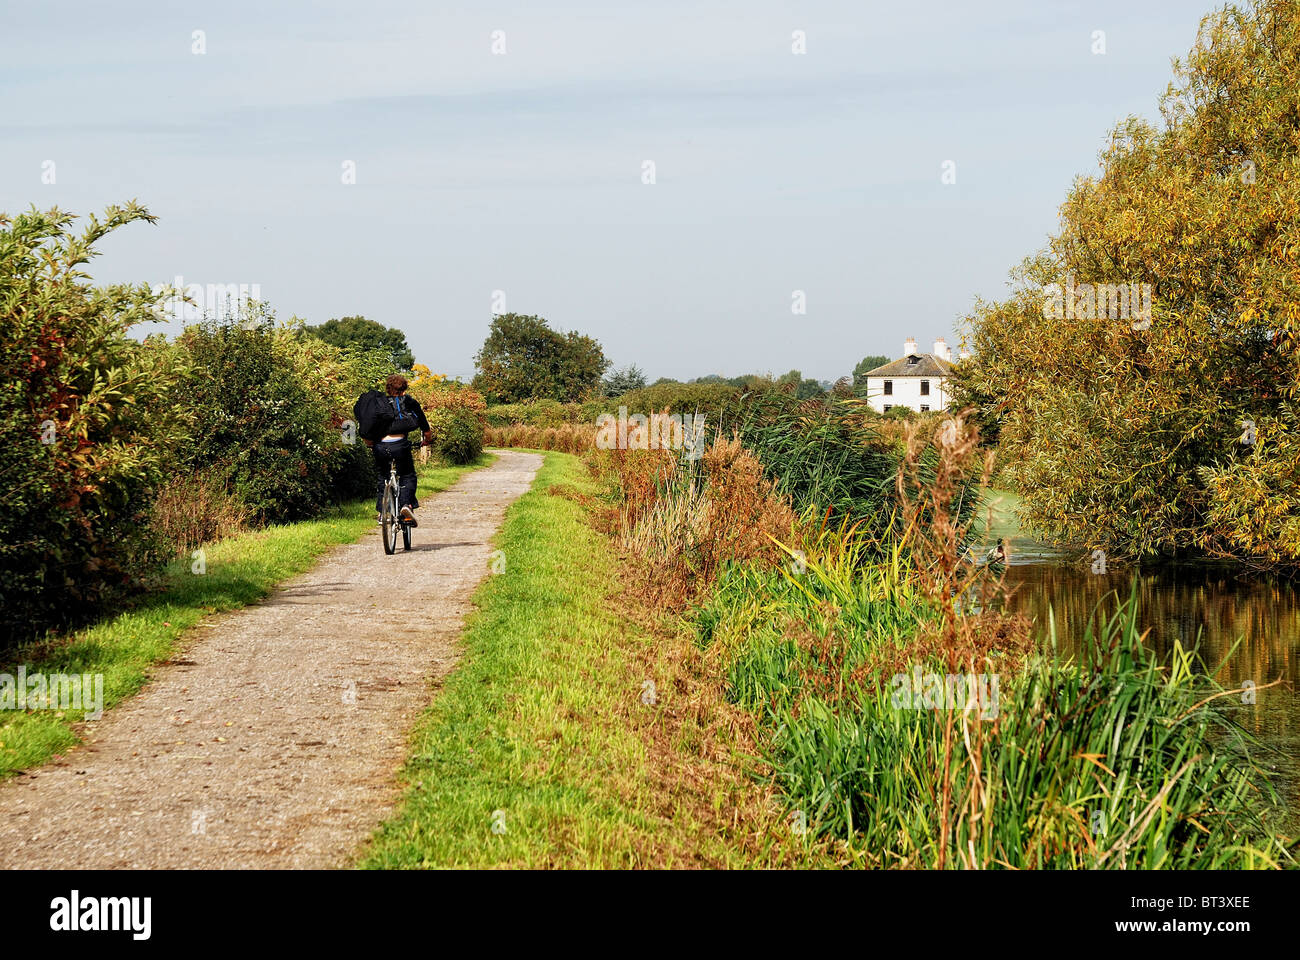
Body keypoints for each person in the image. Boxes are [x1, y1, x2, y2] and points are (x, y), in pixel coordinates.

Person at [365, 374, 432, 526]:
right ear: (404, 389)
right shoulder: (408, 401)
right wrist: (427, 440)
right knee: (408, 475)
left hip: (380, 447)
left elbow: (368, 426)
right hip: (400, 445)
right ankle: (406, 505)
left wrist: (370, 443)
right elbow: (424, 426)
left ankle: (382, 513)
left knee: (383, 476)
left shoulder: (378, 403)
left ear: (387, 389)